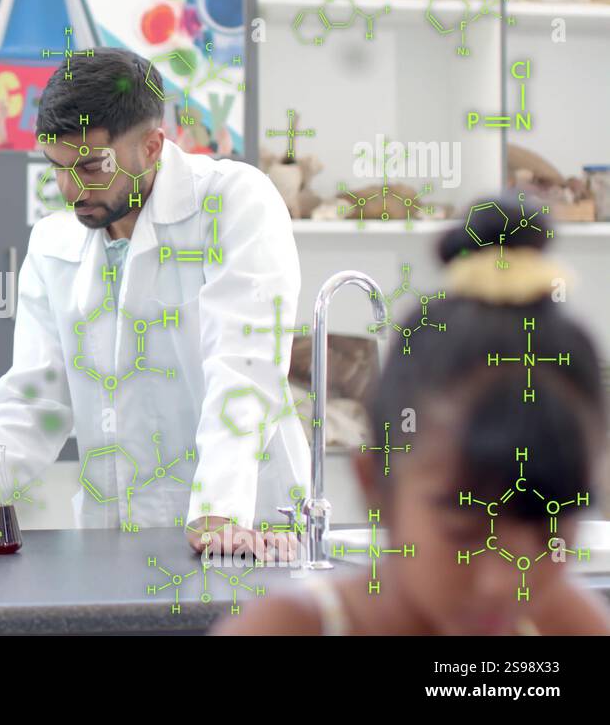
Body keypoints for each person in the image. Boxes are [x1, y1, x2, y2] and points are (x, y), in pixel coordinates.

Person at [0, 48, 309, 559]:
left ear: (152, 146)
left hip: (248, 523)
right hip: (117, 536)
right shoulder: (53, 241)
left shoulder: (234, 201)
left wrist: (221, 510)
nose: (69, 188)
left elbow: (244, 366)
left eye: (89, 165)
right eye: (57, 167)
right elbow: (35, 396)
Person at [218, 201, 610, 635]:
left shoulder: (566, 625)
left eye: (548, 534)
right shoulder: (289, 629)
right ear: (376, 486)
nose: (504, 581)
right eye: (464, 533)